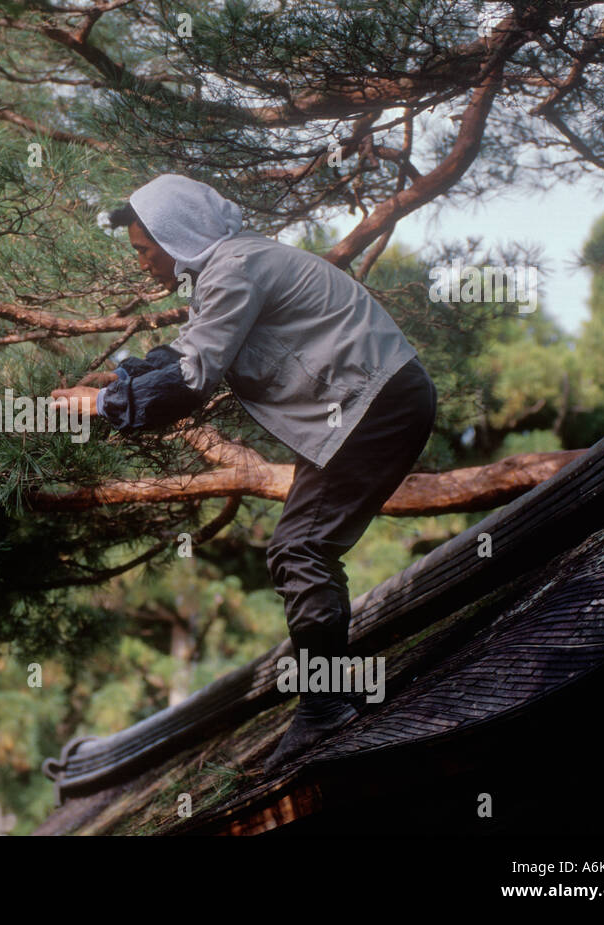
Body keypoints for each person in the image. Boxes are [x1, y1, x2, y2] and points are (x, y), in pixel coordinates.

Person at [51, 174, 436, 773]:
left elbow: (190, 379)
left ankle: (327, 707)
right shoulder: (228, 270)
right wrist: (119, 382)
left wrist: (101, 407)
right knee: (303, 547)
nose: (144, 265)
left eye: (145, 251)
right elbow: (181, 356)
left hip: (377, 402)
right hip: (372, 402)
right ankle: (335, 696)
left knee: (300, 548)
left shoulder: (235, 269)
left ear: (175, 236)